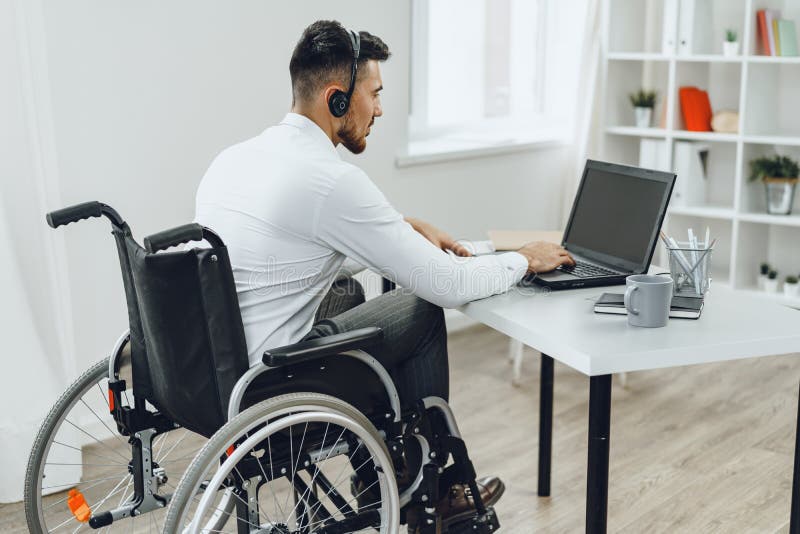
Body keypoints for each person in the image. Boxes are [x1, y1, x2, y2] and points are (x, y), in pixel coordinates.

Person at [195, 19, 574, 529]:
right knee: (419, 306)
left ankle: (387, 469)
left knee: (346, 290)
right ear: (336, 99)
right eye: (373, 94)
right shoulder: (329, 180)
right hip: (273, 385)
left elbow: (285, 258)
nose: (379, 109)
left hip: (220, 373)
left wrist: (397, 230)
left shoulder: (236, 159)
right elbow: (447, 283)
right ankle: (434, 491)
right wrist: (524, 258)